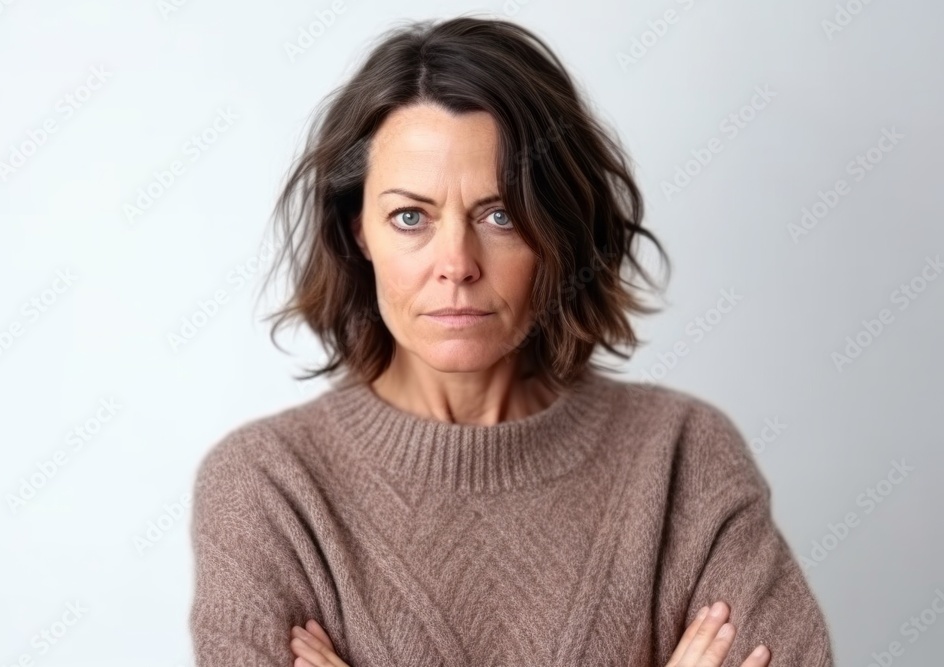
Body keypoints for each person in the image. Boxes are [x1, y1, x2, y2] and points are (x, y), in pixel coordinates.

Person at [188, 15, 835, 667]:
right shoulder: (268, 487)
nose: (457, 263)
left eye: (499, 215)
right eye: (410, 216)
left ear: (558, 230)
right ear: (359, 231)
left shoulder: (683, 457)